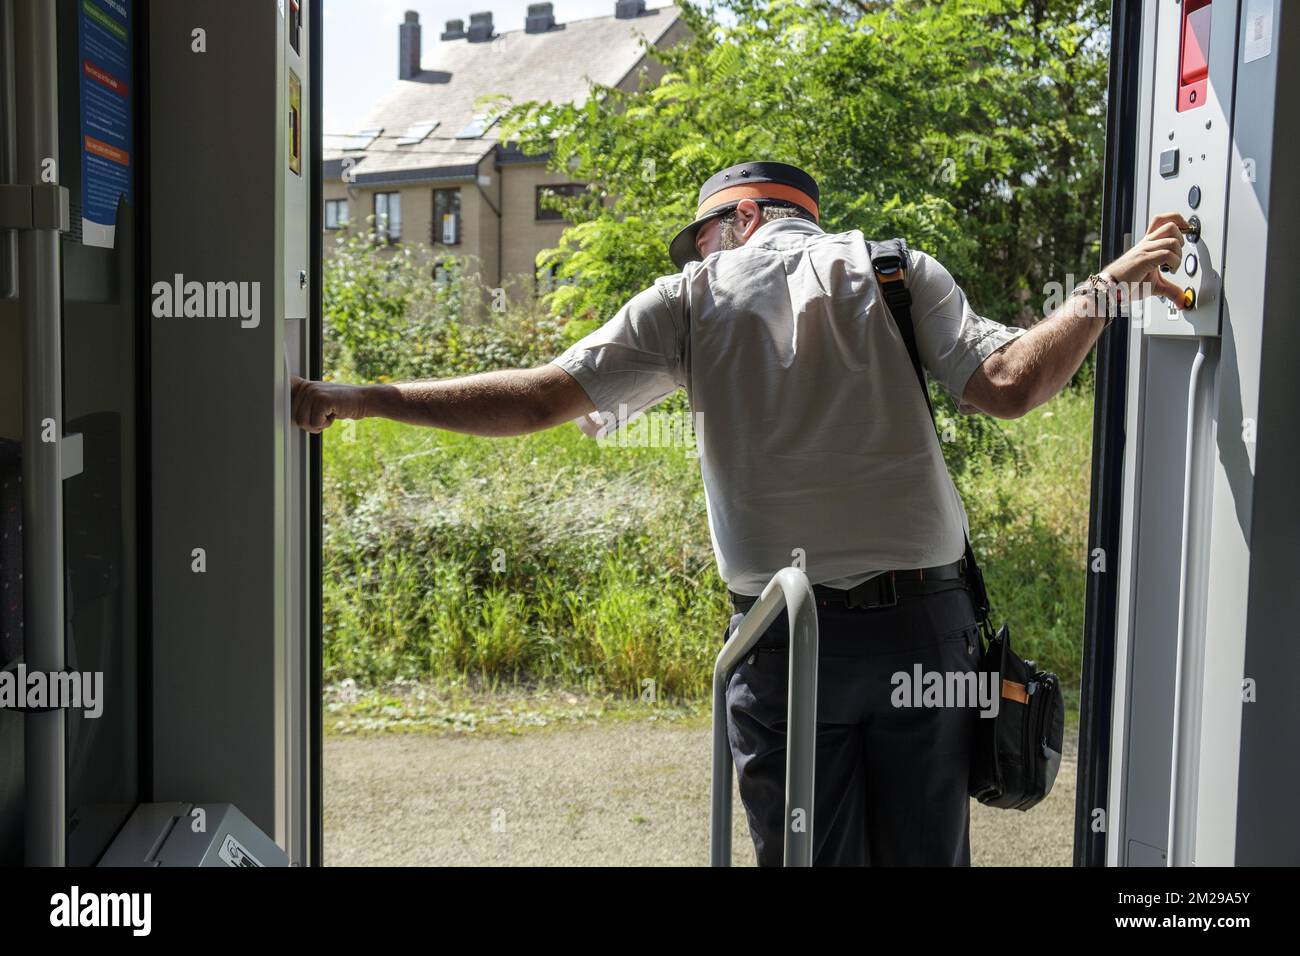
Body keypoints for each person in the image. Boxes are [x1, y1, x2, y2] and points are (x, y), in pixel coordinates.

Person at [293, 160, 1189, 866]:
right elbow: (1011, 384)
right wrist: (1106, 286)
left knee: (800, 855)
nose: (699, 257)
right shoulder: (894, 271)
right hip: (924, 636)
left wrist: (368, 396)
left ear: (743, 217)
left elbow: (533, 403)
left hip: (781, 643)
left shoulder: (687, 302)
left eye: (703, 237)